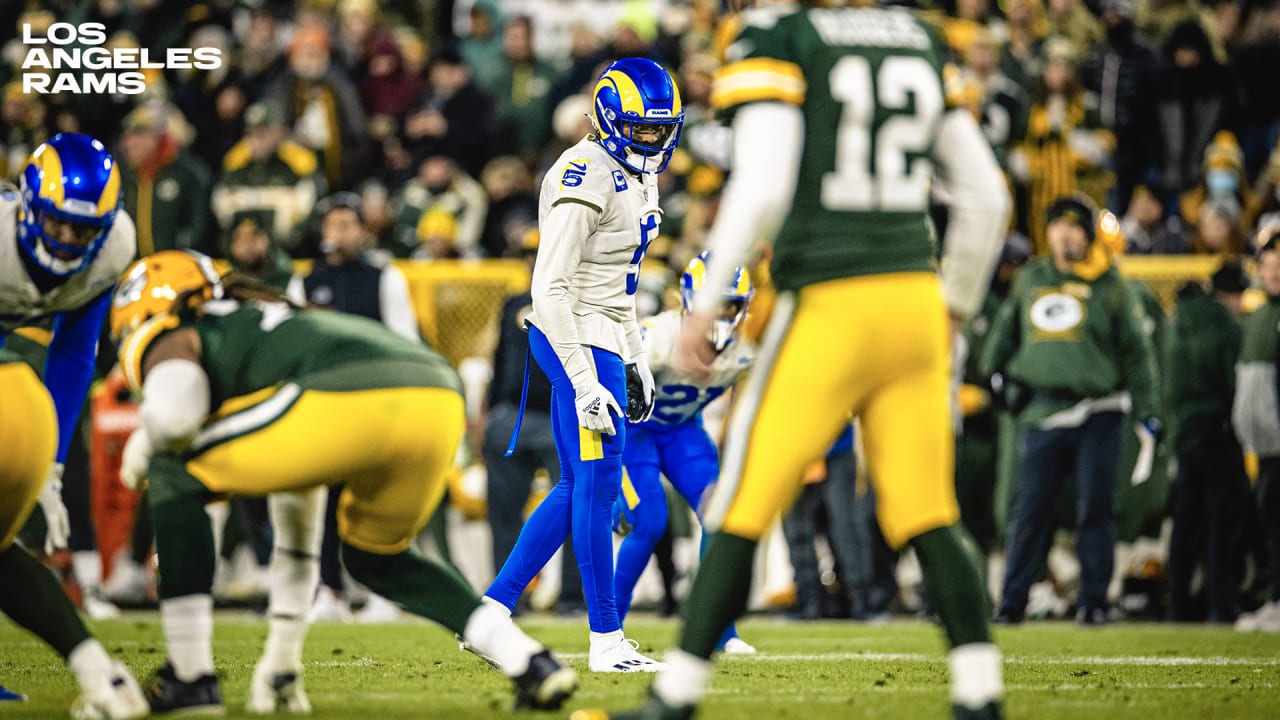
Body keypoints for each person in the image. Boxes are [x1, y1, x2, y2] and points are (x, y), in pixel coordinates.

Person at [582, 3, 1013, 718]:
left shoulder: (780, 35)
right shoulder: (919, 36)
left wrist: (708, 297)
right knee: (929, 510)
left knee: (739, 501)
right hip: (914, 300)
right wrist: (956, 306)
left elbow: (766, 185)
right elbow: (988, 197)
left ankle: (674, 697)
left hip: (832, 300)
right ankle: (979, 692)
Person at [111, 250, 579, 714]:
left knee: (173, 467)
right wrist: (282, 659)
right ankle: (528, 661)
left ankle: (190, 678)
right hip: (434, 393)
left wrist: (145, 445)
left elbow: (172, 420)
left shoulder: (185, 327)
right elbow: (298, 505)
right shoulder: (271, 319)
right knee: (377, 556)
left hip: (348, 393)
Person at [481, 57, 683, 674]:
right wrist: (585, 377)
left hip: (603, 335)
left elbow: (617, 288)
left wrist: (637, 361)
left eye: (661, 128)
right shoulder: (584, 171)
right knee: (596, 488)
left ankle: (492, 611)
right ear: (608, 118)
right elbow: (552, 290)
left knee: (577, 483)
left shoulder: (636, 177)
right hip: (571, 337)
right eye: (641, 129)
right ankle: (605, 640)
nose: (652, 139)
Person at [0, 132, 148, 717]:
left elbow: (73, 354)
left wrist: (51, 469)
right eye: (57, 224)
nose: (66, 241)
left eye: (82, 231)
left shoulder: (115, 249)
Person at [981, 195, 1161, 627]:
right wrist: (995, 377)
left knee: (1095, 509)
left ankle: (1095, 601)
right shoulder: (1032, 278)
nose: (1065, 234)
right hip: (1041, 411)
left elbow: (1138, 354)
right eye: (1058, 226)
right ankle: (1011, 601)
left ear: (1088, 234)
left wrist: (1148, 410)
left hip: (1098, 410)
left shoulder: (1110, 285)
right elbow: (1003, 337)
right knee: (1029, 511)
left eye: (1075, 227)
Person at [612, 252, 755, 652]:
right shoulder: (656, 337)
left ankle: (721, 632)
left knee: (720, 515)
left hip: (682, 432)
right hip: (635, 431)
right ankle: (609, 627)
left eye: (731, 304)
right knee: (650, 519)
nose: (722, 314)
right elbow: (613, 390)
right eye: (714, 303)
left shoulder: (745, 352)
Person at [1166, 261, 1250, 622]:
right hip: (1218, 432)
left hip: (1184, 433)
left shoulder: (1177, 323)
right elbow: (1236, 383)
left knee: (1185, 524)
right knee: (1220, 524)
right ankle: (1220, 602)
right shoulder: (1226, 326)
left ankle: (1178, 603)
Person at [1233, 226, 1280, 632]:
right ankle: (1276, 598)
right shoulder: (1260, 314)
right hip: (1265, 445)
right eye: (1267, 265)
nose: (1272, 271)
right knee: (1269, 525)